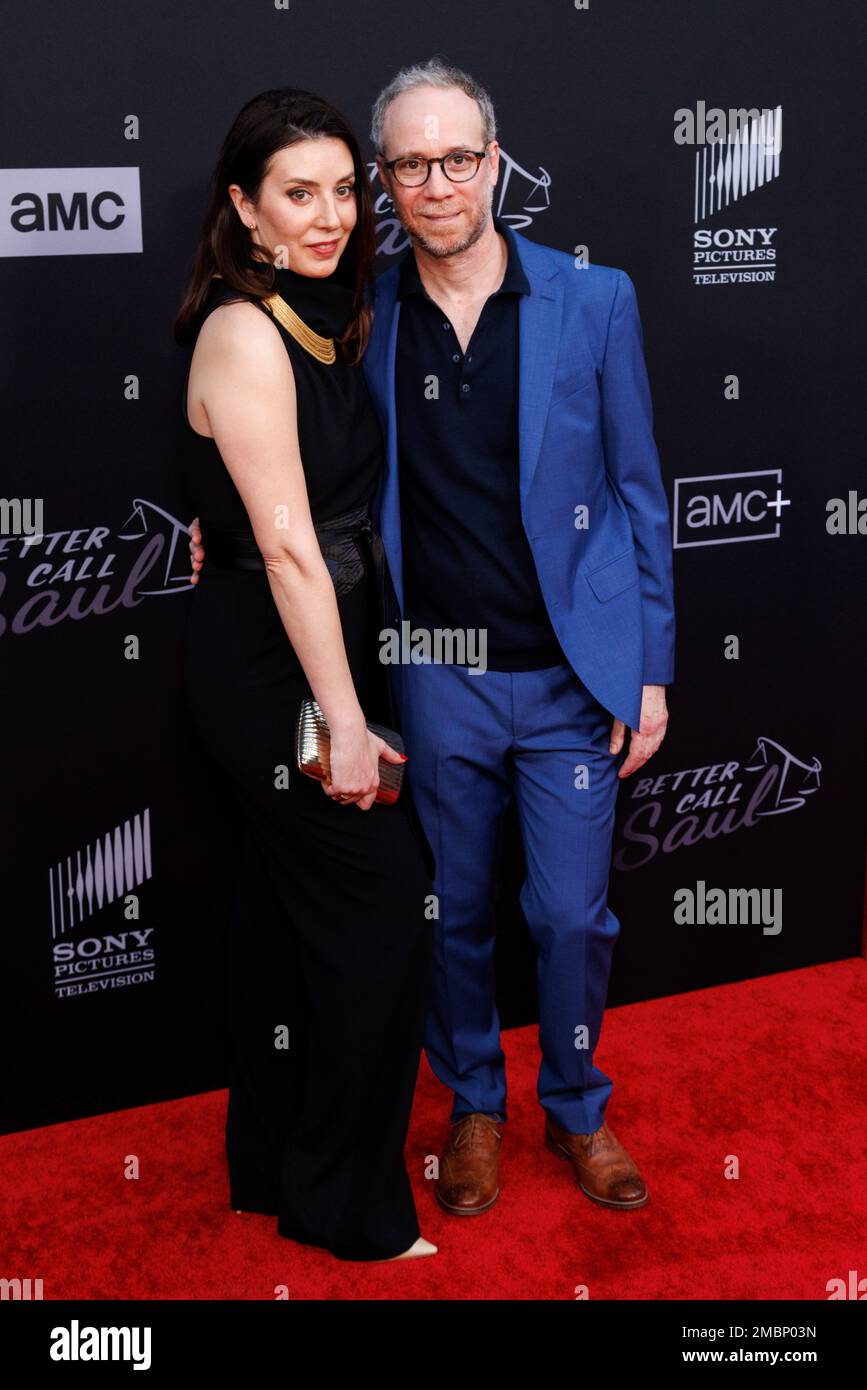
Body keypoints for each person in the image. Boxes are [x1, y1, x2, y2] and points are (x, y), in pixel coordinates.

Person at [191, 59, 675, 1222]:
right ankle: (474, 1107)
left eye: (459, 157)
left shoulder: (593, 300)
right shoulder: (365, 308)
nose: (437, 183)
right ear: (388, 179)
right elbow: (289, 454)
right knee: (445, 911)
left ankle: (577, 1104)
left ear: (496, 162)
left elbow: (640, 492)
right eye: (409, 163)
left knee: (567, 913)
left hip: (569, 675)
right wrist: (221, 535)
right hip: (430, 671)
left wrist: (650, 666)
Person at [175, 87, 437, 1262]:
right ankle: (349, 1205)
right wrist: (338, 720)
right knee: (381, 907)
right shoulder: (241, 329)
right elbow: (283, 544)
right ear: (244, 205)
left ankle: (276, 1167)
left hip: (335, 633)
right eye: (298, 192)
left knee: (282, 919)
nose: (330, 214)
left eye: (344, 188)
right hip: (275, 661)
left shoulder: (331, 309)